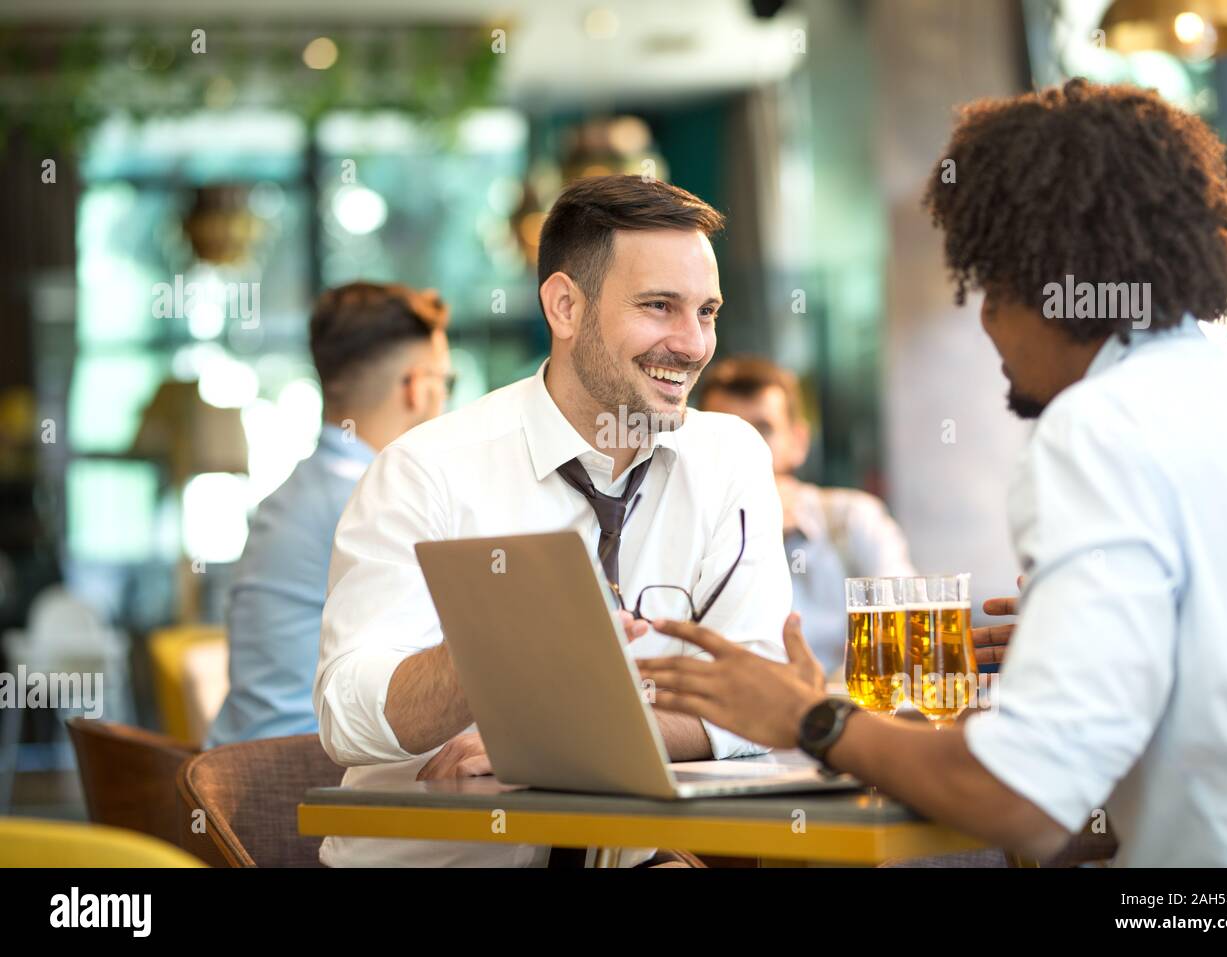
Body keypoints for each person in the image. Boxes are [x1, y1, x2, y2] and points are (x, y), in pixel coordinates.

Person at [638, 79, 1227, 866]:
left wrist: (813, 717)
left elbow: (1020, 800)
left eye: (990, 283)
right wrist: (1101, 646)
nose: (984, 318)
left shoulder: (1096, 430)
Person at [313, 175, 793, 867]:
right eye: (660, 306)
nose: (692, 344)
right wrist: (490, 657)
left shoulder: (729, 458)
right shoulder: (427, 469)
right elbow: (345, 715)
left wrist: (563, 743)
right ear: (565, 305)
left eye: (707, 312)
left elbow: (760, 695)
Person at [207, 283, 453, 748]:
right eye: (446, 381)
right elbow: (440, 676)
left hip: (238, 767)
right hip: (294, 776)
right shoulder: (374, 503)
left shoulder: (303, 489)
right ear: (417, 388)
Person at [698, 356, 914, 673]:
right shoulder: (687, 534)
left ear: (798, 442)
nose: (744, 448)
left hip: (844, 711)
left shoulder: (853, 519)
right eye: (726, 431)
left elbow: (907, 635)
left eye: (762, 429)